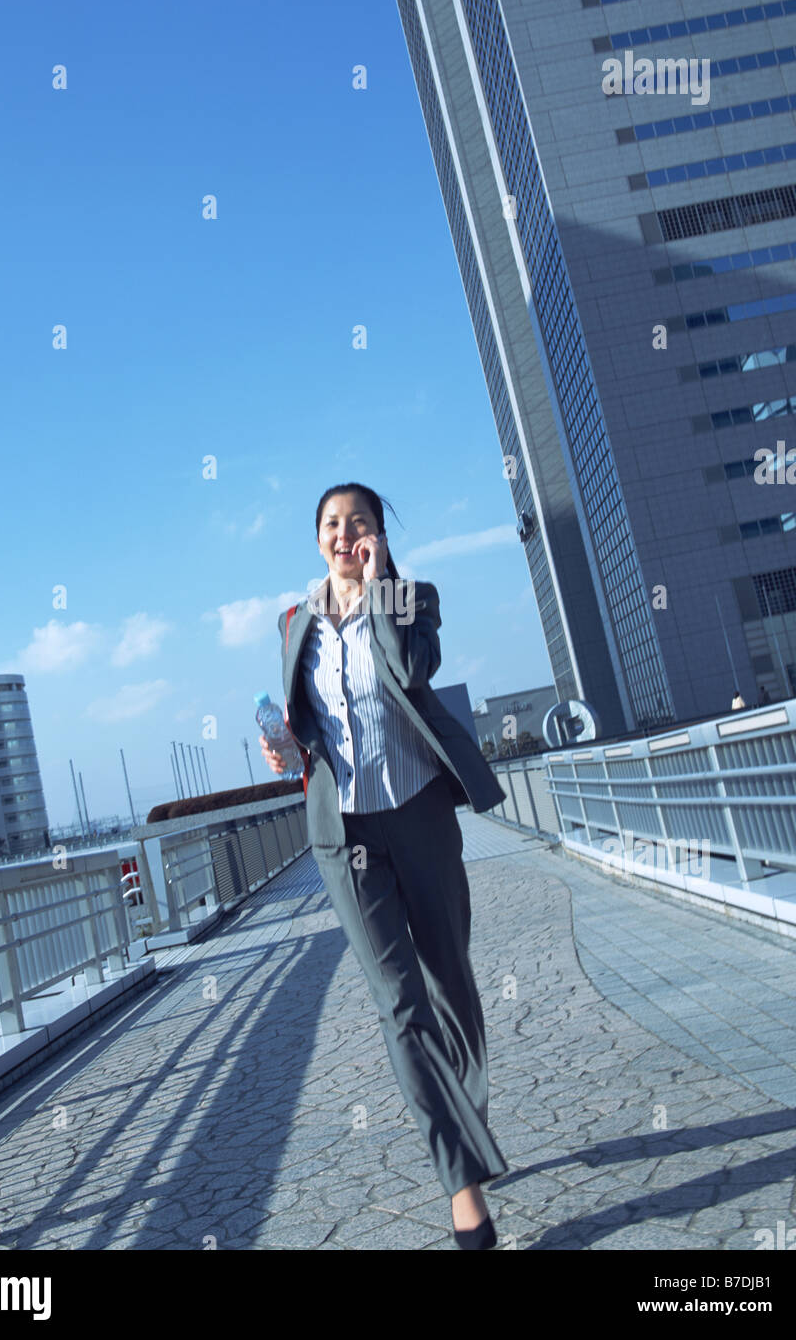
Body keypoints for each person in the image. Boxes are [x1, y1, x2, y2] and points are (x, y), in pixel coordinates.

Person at [260, 482, 508, 1250]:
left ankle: (469, 1120)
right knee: (400, 1005)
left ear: (378, 535)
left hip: (421, 814)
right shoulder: (293, 622)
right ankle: (461, 1185)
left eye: (358, 522)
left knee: (451, 980)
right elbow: (312, 727)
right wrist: (287, 749)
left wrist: (380, 593)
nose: (344, 534)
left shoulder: (411, 600)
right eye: (331, 524)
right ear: (316, 538)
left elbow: (411, 673)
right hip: (345, 834)